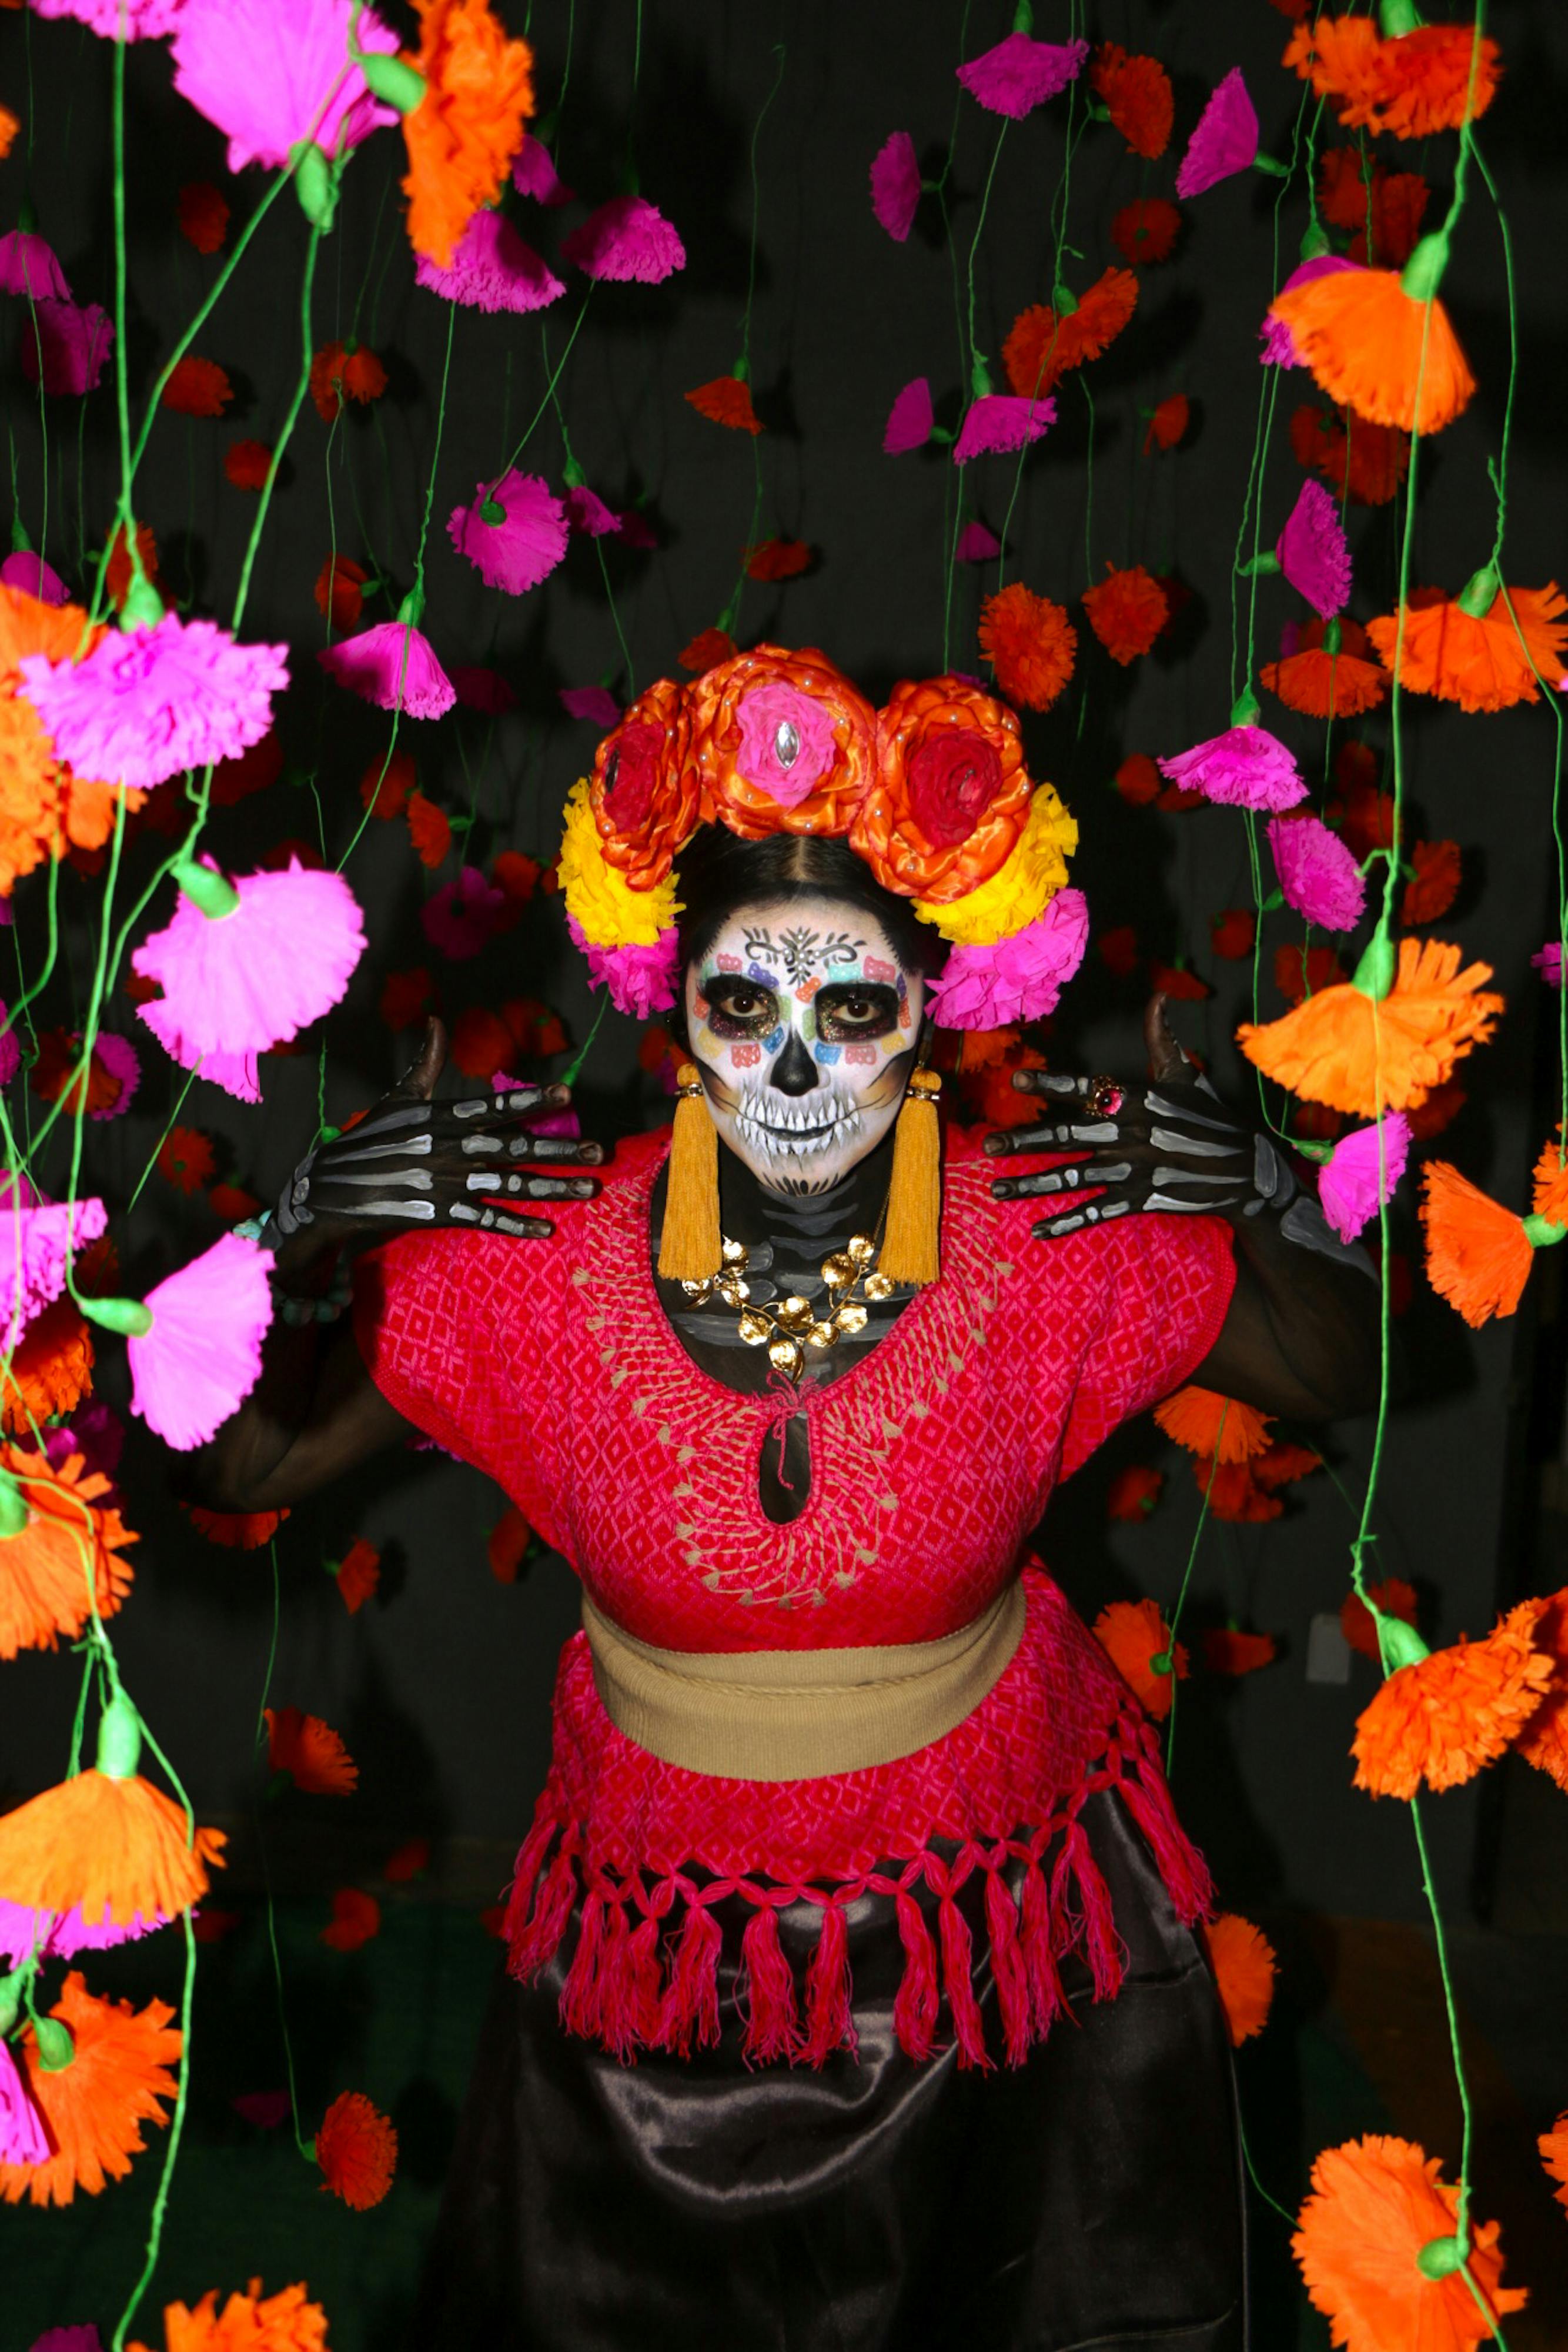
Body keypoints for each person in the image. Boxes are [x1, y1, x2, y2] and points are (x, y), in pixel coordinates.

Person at [199, 646, 1379, 2352]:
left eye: (856, 1012)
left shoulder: (1047, 1238)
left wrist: (1263, 1182)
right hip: (654, 1954)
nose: (803, 1072)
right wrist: (299, 1226)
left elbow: (1334, 1365)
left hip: (1006, 1933)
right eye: (744, 1008)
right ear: (670, 1006)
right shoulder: (528, 1259)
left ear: (934, 1005)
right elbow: (241, 1464)